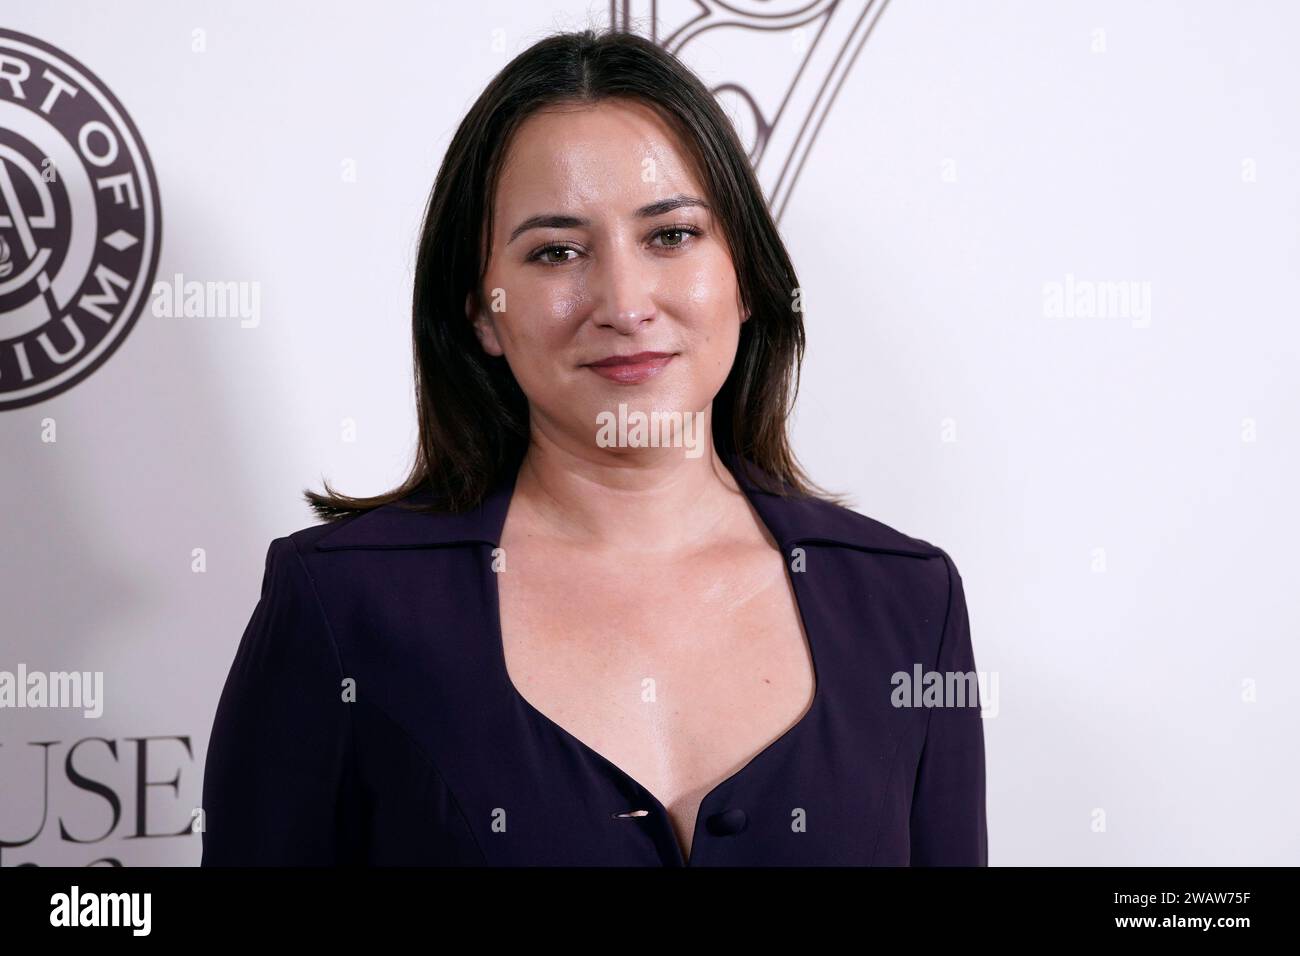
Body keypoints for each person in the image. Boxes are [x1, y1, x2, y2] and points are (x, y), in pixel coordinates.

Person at [200, 26, 987, 867]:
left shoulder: (908, 604)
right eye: (557, 251)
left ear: (746, 277)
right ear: (480, 311)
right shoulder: (343, 605)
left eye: (672, 236)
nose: (623, 300)